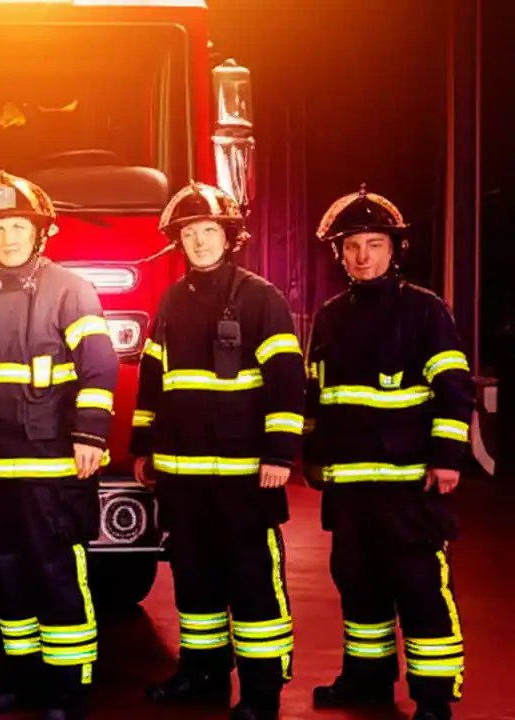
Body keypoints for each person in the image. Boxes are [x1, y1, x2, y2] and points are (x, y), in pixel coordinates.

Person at [131, 181, 304, 720]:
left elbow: (286, 381)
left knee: (252, 584)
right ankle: (201, 674)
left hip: (245, 479)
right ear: (178, 242)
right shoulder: (171, 301)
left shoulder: (260, 298)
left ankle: (261, 692)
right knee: (195, 580)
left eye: (209, 231)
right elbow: (152, 382)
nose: (200, 241)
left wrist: (279, 454)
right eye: (189, 233)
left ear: (229, 237)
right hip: (183, 480)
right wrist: (143, 447)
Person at [303, 186, 470, 720]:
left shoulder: (425, 311)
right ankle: (367, 679)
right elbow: (317, 393)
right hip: (350, 485)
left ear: (394, 249)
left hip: (410, 483)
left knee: (419, 587)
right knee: (357, 583)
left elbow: (453, 388)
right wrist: (312, 453)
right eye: (352, 246)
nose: (363, 256)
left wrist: (447, 457)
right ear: (340, 253)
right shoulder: (330, 317)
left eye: (374, 244)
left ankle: (434, 697)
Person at [0, 171, 119, 720]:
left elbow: (99, 366)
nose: (8, 238)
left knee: (56, 573)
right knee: (5, 574)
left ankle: (67, 688)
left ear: (39, 233)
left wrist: (90, 435)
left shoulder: (71, 289)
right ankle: (21, 675)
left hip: (54, 467)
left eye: (17, 227)